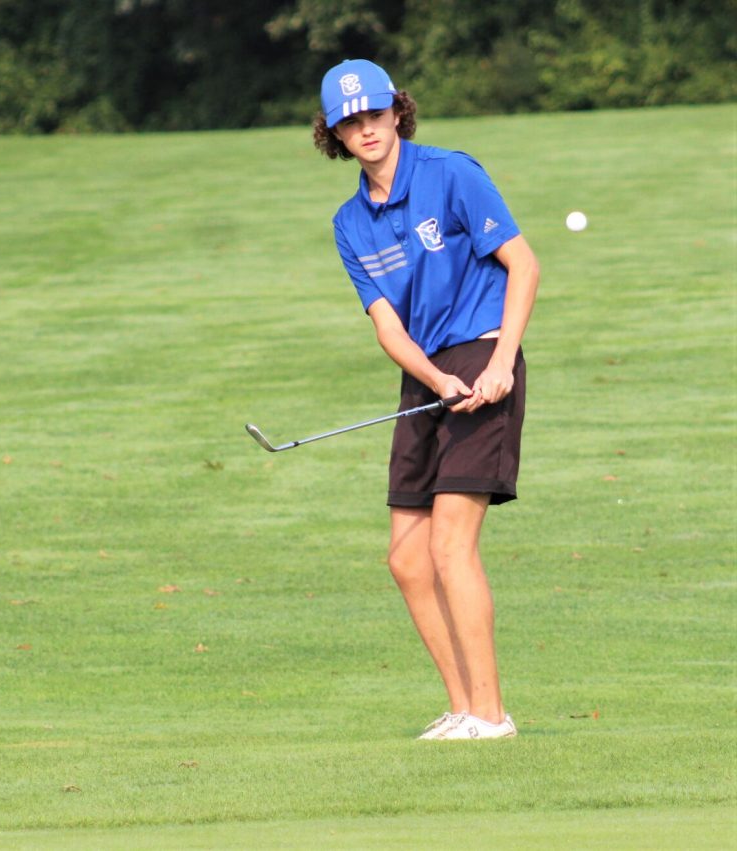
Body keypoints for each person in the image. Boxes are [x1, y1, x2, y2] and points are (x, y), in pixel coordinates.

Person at [314, 60, 540, 740]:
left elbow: (523, 264)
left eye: (375, 114)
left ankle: (493, 715)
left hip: (482, 354)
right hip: (427, 377)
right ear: (335, 134)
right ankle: (464, 706)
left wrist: (500, 362)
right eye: (351, 122)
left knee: (449, 546)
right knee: (406, 558)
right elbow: (387, 322)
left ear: (396, 112)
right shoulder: (350, 222)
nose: (367, 128)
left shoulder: (451, 173)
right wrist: (434, 381)